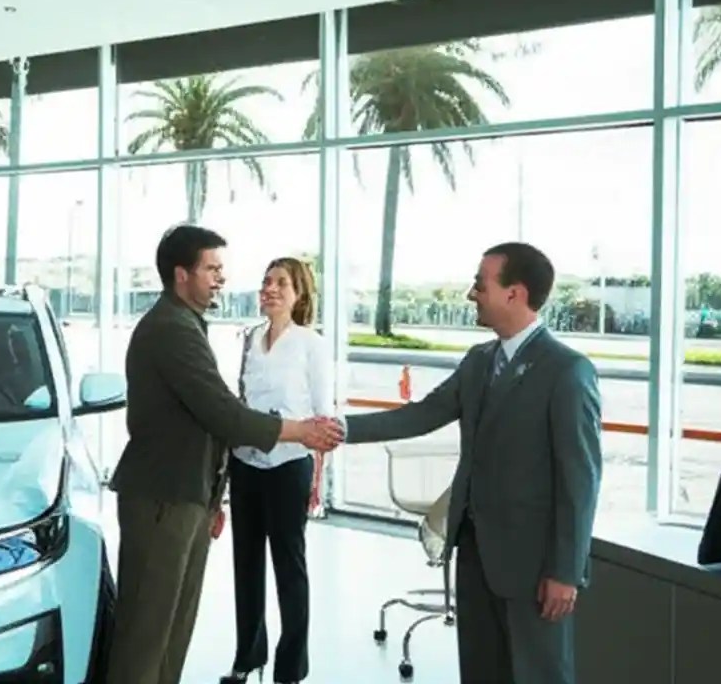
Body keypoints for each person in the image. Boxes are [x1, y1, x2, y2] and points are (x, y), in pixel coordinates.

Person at [342, 242, 602, 684]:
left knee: (538, 674)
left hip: (533, 567)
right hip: (476, 552)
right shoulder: (479, 361)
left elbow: (581, 481)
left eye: (480, 284)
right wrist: (339, 429)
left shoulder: (566, 371)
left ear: (514, 294)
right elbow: (422, 414)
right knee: (482, 670)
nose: (470, 294)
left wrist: (565, 572)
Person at [106, 225, 344, 684]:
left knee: (172, 630)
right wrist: (300, 432)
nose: (221, 278)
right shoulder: (172, 330)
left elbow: (217, 419)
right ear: (182, 275)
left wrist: (215, 498)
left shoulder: (190, 325)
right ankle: (249, 656)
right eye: (212, 268)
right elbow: (225, 414)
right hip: (164, 496)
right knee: (147, 634)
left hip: (196, 492)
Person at [221, 257, 331, 684]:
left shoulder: (311, 343)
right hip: (247, 464)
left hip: (289, 466)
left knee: (289, 567)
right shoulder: (250, 338)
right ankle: (247, 657)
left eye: (281, 283)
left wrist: (318, 477)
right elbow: (241, 401)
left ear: (298, 294)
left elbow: (322, 416)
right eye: (266, 281)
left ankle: (290, 667)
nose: (269, 289)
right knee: (245, 564)